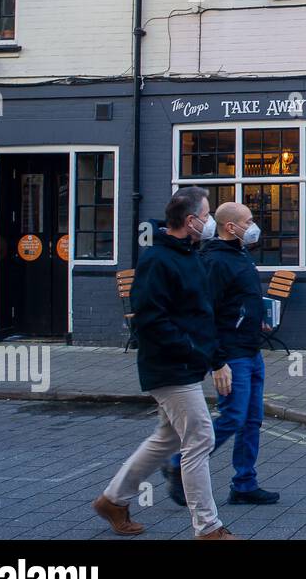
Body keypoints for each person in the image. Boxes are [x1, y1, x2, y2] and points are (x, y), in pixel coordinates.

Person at [92, 187, 238, 540]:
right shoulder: (158, 261)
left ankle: (113, 500)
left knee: (168, 438)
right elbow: (150, 320)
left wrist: (216, 358)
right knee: (200, 439)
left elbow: (202, 315)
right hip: (170, 368)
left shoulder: (191, 255)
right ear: (190, 221)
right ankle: (208, 528)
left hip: (185, 364)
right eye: (206, 216)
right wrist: (194, 352)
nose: (210, 222)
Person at [162, 201, 279, 507]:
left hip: (252, 349)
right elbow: (206, 312)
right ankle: (178, 463)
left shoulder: (241, 253)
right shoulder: (215, 262)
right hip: (232, 354)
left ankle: (244, 483)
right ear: (231, 226)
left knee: (252, 419)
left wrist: (257, 319)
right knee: (233, 416)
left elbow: (239, 300)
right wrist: (218, 362)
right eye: (249, 220)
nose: (254, 226)